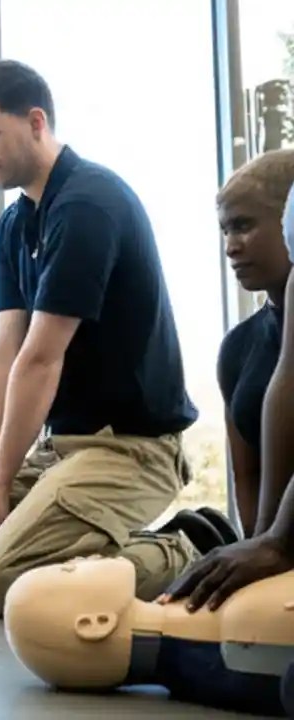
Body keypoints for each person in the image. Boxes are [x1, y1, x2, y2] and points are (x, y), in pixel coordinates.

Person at [0, 59, 211, 618]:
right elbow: (3, 355)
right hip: (65, 450)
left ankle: (192, 548)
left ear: (36, 122)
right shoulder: (16, 223)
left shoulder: (87, 204)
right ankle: (77, 548)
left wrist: (2, 481)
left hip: (132, 449)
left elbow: (39, 359)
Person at [162, 154, 294, 612]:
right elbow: (251, 481)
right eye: (225, 231)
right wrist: (257, 556)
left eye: (244, 226)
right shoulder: (238, 349)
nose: (231, 246)